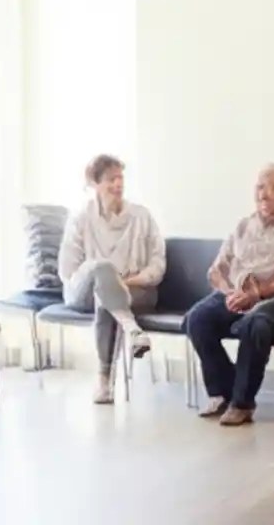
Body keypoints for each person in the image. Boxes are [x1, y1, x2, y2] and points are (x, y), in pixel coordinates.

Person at [184, 164, 274, 426]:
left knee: (255, 323)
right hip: (239, 293)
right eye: (260, 187)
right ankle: (223, 392)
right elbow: (216, 271)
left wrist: (259, 294)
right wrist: (233, 294)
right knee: (197, 318)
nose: (265, 194)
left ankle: (242, 403)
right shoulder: (243, 226)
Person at [57, 154, 166, 404]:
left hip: (136, 288)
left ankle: (104, 382)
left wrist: (121, 283)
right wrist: (105, 277)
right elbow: (68, 271)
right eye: (110, 180)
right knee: (102, 270)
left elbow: (158, 265)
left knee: (105, 296)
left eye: (120, 178)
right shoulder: (81, 218)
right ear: (95, 184)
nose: (118, 184)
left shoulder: (142, 217)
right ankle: (132, 329)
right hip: (81, 290)